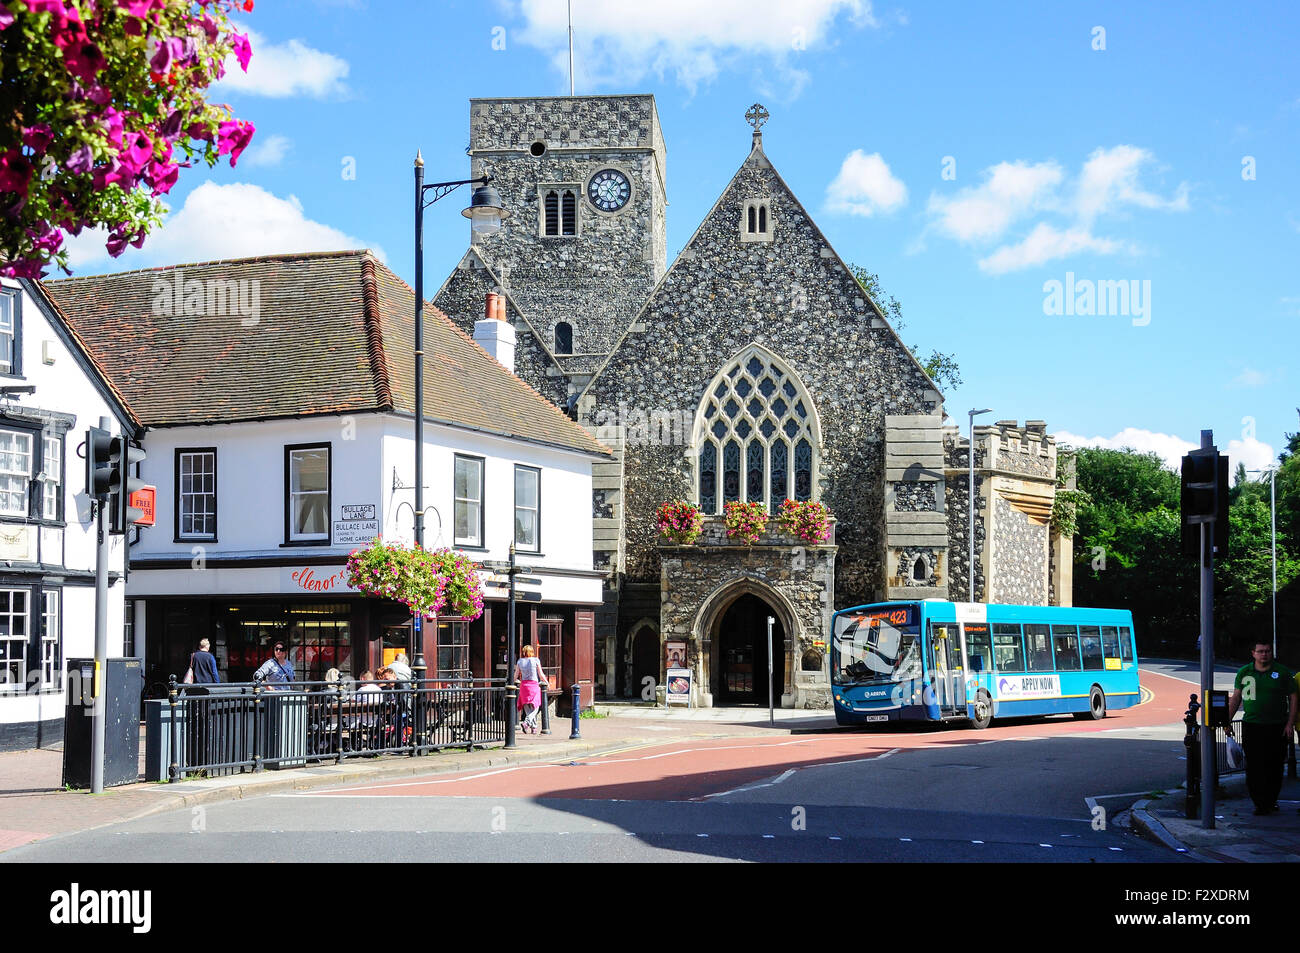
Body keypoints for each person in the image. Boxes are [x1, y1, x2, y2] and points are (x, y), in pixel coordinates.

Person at [1227, 641, 1297, 815]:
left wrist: (1290, 723)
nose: (1264, 654)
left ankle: (1270, 800)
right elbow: (1236, 698)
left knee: (1275, 765)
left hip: (1276, 726)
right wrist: (1227, 720)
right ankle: (1259, 802)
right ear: (1253, 653)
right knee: (1254, 765)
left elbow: (1293, 698)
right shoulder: (1245, 672)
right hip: (1252, 725)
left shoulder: (1282, 672)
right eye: (1260, 651)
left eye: (1267, 651)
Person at [515, 644, 548, 734]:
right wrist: (546, 682)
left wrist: (512, 682)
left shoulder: (520, 661)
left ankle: (534, 727)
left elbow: (516, 674)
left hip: (524, 685)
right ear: (532, 652)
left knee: (527, 706)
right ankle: (526, 722)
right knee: (536, 706)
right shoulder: (536, 660)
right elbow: (541, 674)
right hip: (533, 685)